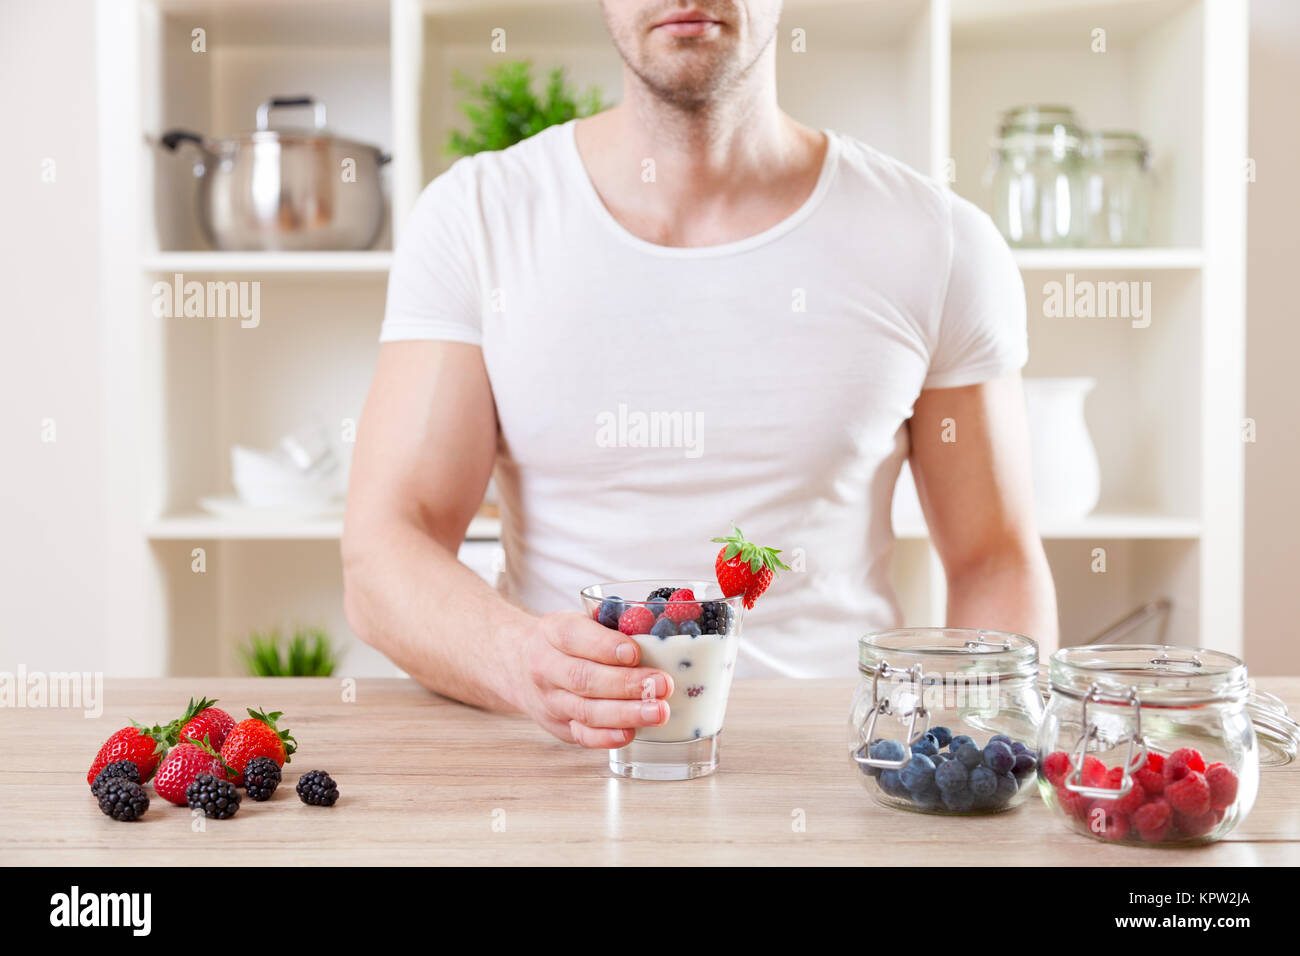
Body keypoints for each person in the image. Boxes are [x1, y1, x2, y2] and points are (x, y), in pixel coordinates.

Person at [342, 0, 1057, 750]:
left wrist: (983, 757)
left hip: (842, 768)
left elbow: (993, 559)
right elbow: (387, 548)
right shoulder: (477, 218)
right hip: (567, 766)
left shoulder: (937, 240)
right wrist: (524, 663)